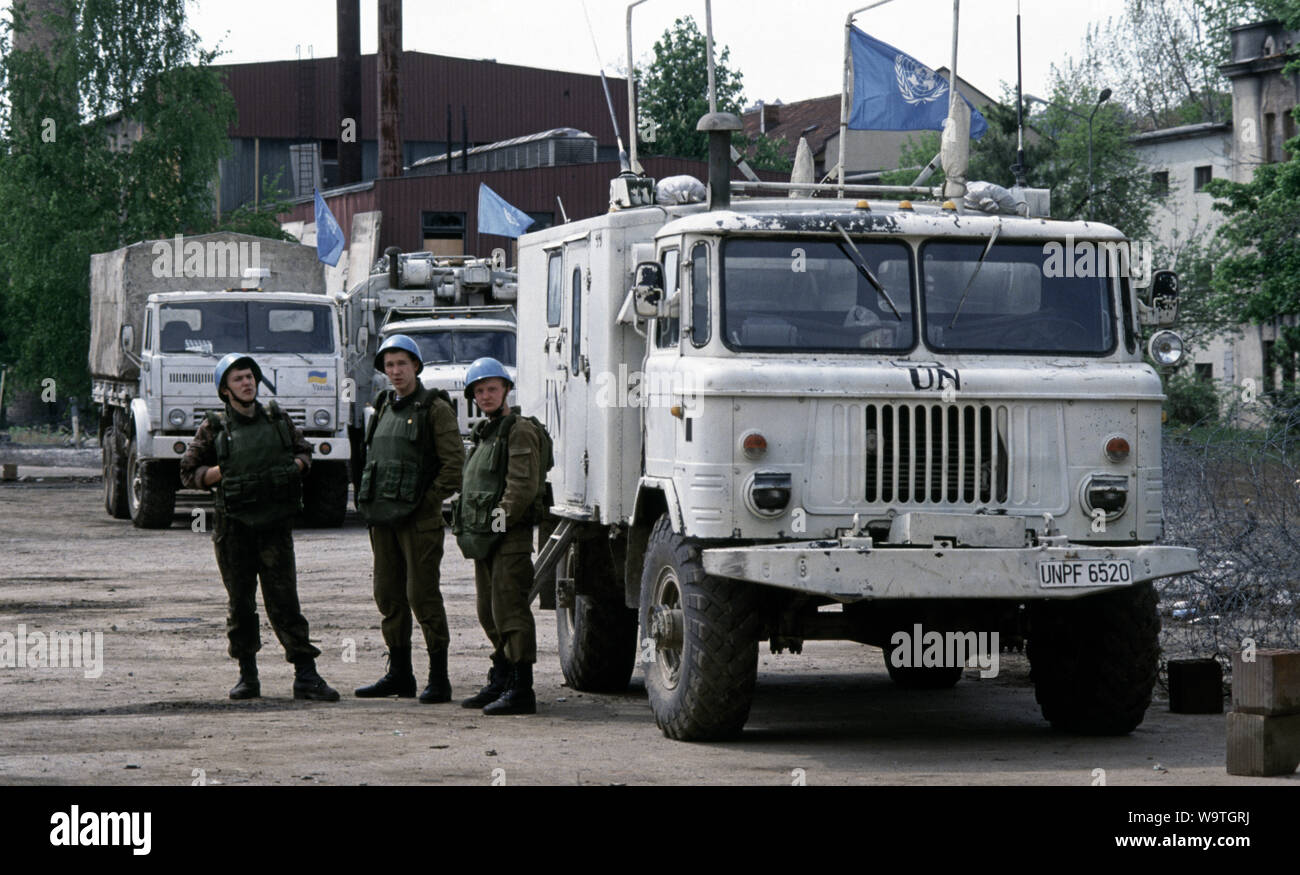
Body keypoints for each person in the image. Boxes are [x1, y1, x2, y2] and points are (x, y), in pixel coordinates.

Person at [179, 353, 339, 702]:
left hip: (275, 527)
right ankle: (247, 675)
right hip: (234, 528)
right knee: (241, 604)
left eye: (250, 376)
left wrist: (293, 467)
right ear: (225, 389)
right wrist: (221, 471)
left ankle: (306, 675)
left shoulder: (276, 418)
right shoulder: (215, 427)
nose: (247, 383)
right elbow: (189, 471)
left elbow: (305, 453)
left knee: (285, 602)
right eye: (238, 379)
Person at [355, 335, 464, 703]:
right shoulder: (384, 405)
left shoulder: (434, 408)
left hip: (419, 522)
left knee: (423, 596)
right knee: (388, 596)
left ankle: (439, 677)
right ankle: (400, 673)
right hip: (384, 519)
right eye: (389, 365)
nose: (396, 371)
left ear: (416, 366)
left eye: (402, 363)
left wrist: (426, 502)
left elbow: (454, 467)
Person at [455, 357, 546, 715]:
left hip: (508, 536)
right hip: (487, 537)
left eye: (492, 388)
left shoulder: (518, 429)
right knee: (488, 611)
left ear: (506, 389)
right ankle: (502, 676)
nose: (485, 395)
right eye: (479, 391)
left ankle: (522, 689)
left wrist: (496, 527)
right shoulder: (485, 432)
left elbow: (520, 487)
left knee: (510, 610)